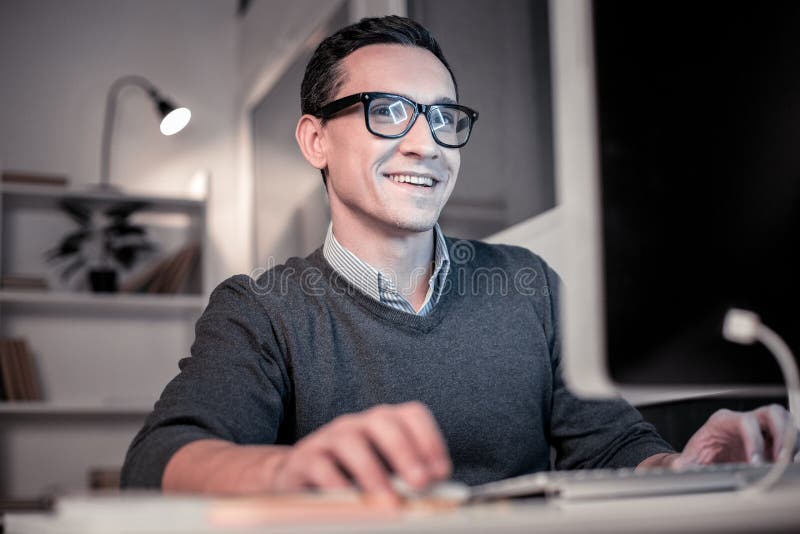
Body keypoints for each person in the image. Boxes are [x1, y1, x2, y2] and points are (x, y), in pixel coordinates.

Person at [121, 15, 796, 497]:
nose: (427, 145)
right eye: (389, 111)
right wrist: (283, 471)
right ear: (315, 140)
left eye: (444, 118)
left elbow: (613, 445)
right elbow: (157, 460)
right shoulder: (262, 310)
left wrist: (685, 468)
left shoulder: (528, 283)